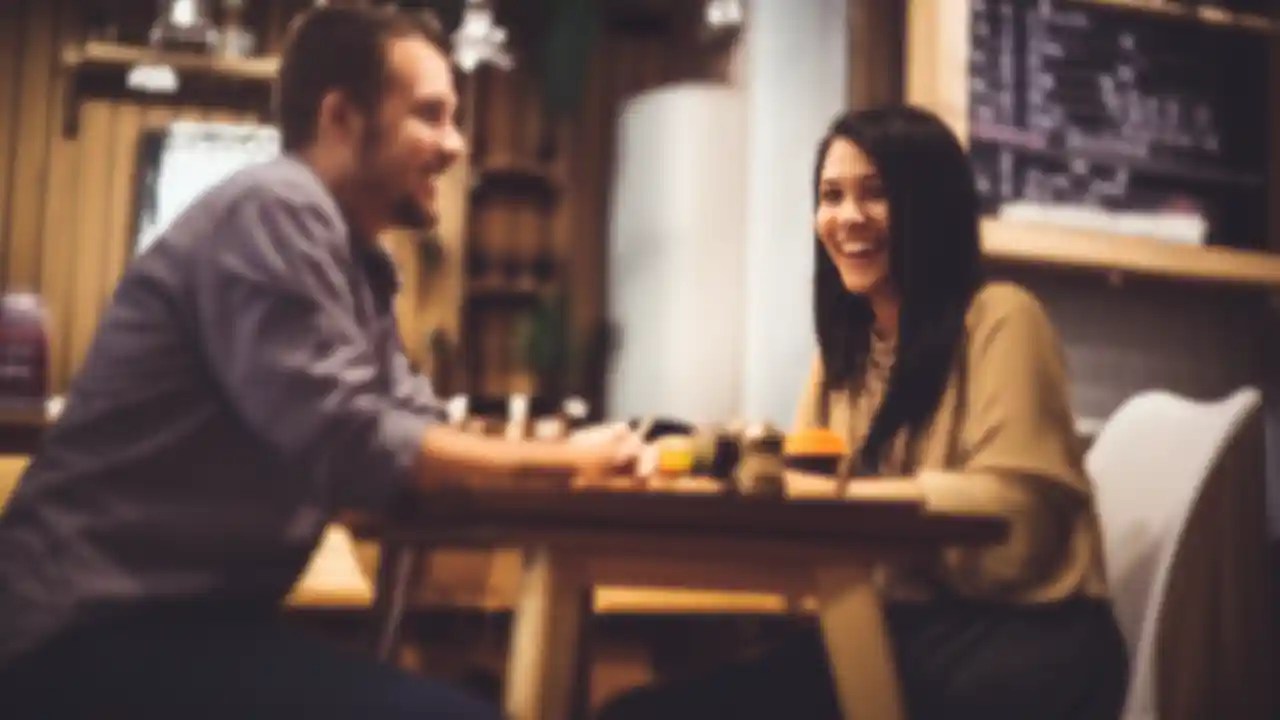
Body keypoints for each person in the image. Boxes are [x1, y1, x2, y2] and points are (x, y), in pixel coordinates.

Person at [0, 7, 630, 719]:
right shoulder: (276, 207)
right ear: (341, 116)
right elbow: (351, 437)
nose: (456, 145)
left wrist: (547, 456)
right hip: (81, 637)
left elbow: (405, 424)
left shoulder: (359, 263)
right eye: (431, 115)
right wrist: (564, 461)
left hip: (183, 628)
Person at [598, 106, 1128, 719]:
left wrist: (843, 501)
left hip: (1020, 646)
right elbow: (801, 500)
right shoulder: (844, 354)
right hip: (896, 634)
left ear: (930, 208)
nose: (848, 217)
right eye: (831, 196)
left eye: (877, 193)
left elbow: (1017, 526)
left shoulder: (1002, 318)